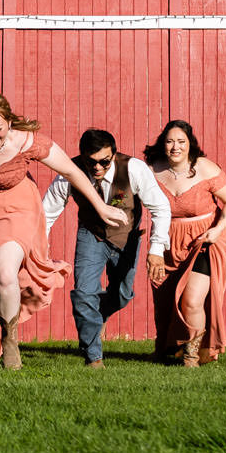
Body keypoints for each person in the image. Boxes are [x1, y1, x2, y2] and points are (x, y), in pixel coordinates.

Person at [0, 93, 130, 370]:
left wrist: (101, 207)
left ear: (9, 123)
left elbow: (72, 172)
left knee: (3, 269)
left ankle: (9, 342)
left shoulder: (27, 142)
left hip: (17, 212)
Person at [42, 128, 172, 368]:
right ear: (82, 156)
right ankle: (93, 357)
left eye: (104, 161)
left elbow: (161, 208)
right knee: (83, 293)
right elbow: (46, 214)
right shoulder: (69, 172)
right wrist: (39, 249)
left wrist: (156, 250)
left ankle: (94, 313)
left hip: (127, 238)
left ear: (113, 154)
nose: (98, 168)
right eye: (91, 162)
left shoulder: (133, 168)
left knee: (122, 295)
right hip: (91, 236)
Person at [149, 120, 226, 365]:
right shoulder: (152, 170)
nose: (175, 147)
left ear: (191, 145)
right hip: (167, 241)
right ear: (162, 144)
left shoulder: (205, 168)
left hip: (204, 240)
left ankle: (192, 356)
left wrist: (218, 230)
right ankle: (170, 349)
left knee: (192, 300)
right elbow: (128, 199)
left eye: (181, 142)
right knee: (166, 301)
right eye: (170, 141)